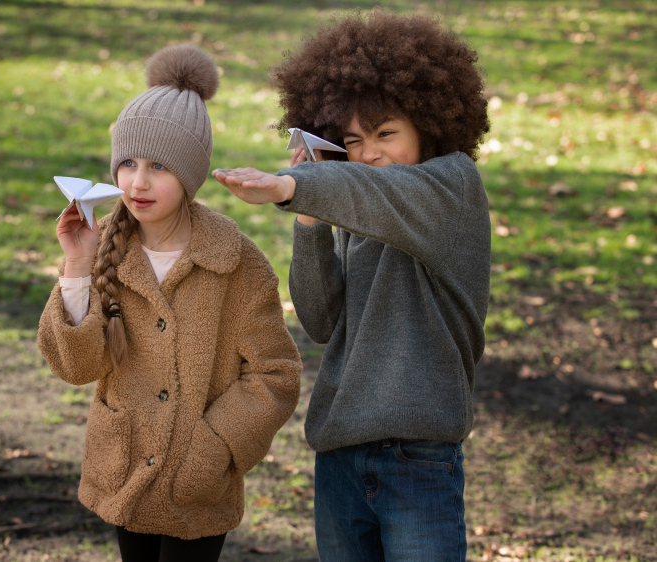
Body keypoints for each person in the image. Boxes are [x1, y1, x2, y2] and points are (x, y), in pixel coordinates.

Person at [213, 11, 492, 561]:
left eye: (386, 133)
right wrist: (311, 222)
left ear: (430, 124)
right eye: (353, 141)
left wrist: (296, 184)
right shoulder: (354, 211)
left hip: (418, 458)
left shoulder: (453, 185)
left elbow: (371, 192)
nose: (370, 153)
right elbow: (319, 321)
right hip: (340, 455)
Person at [37, 44, 302, 562]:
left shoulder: (236, 262)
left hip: (197, 484)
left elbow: (277, 373)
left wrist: (216, 445)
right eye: (128, 163)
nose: (138, 182)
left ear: (190, 173)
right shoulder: (103, 248)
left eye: (159, 165)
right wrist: (75, 267)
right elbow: (75, 366)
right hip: (124, 467)